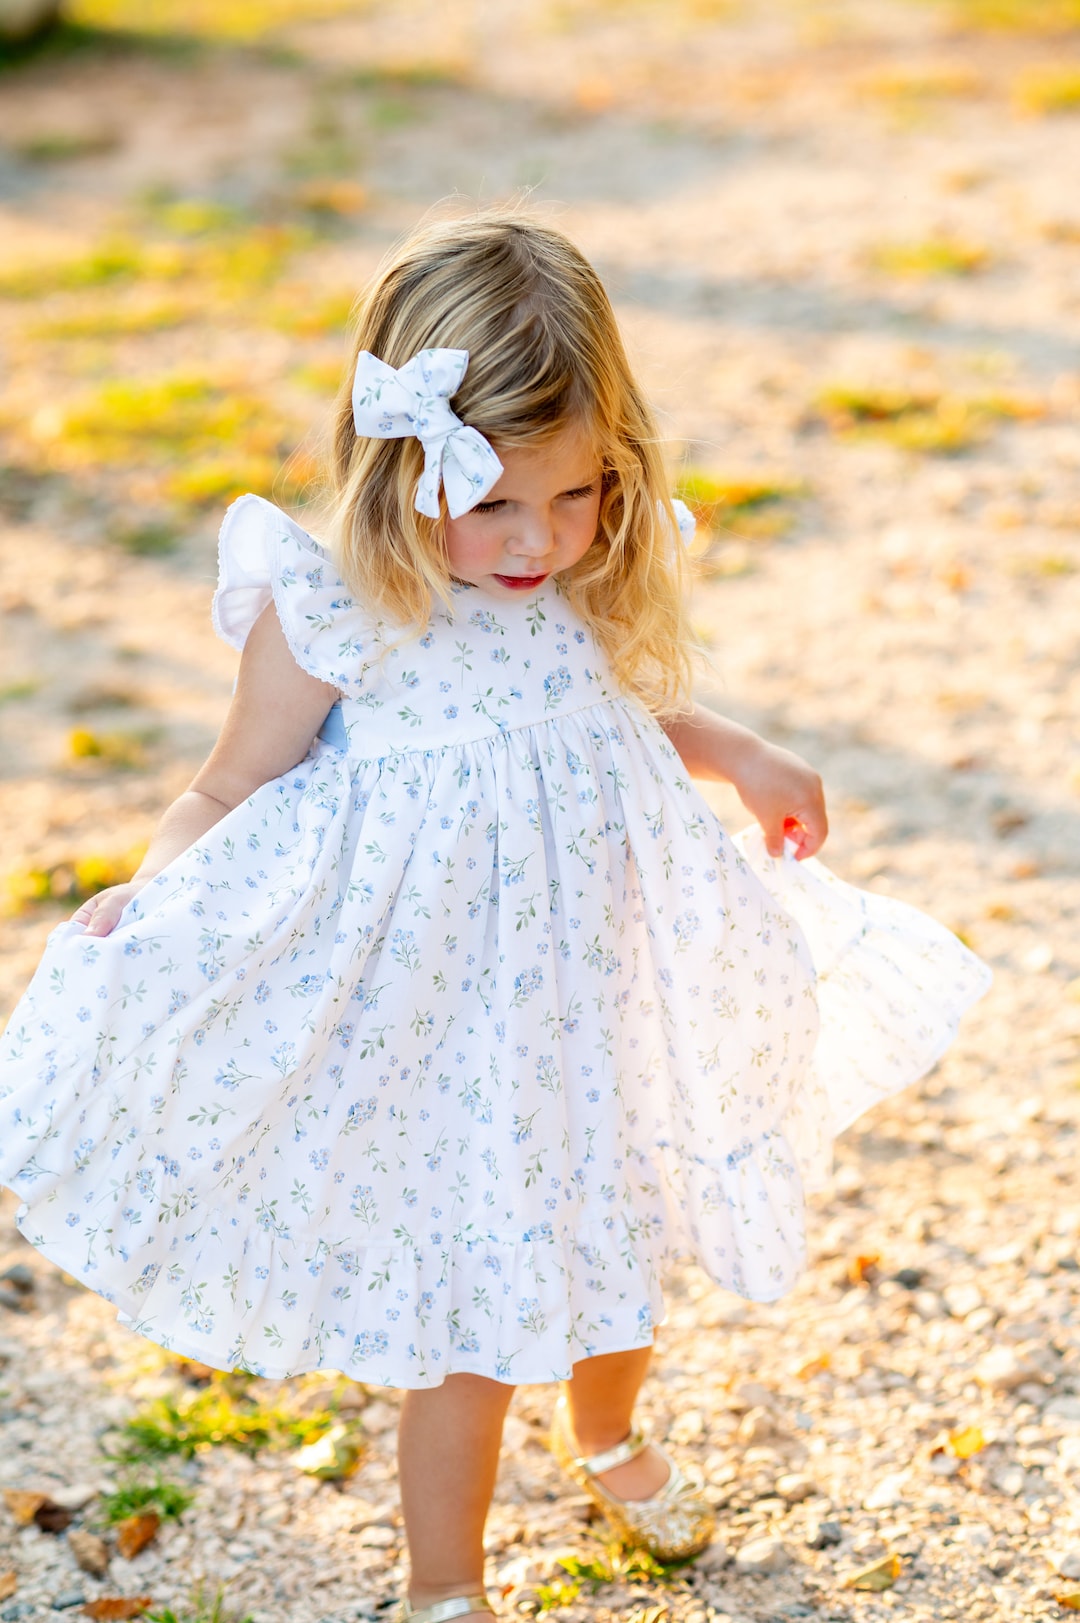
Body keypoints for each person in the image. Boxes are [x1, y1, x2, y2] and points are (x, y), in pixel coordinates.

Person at [0, 211, 989, 1623]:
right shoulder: (341, 604)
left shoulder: (577, 569)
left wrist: (742, 753)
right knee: (466, 1318)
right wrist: (156, 897)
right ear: (407, 471)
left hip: (598, 979)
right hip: (440, 1021)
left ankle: (609, 1436)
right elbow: (228, 784)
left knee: (627, 1231)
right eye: (495, 505)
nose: (537, 543)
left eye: (575, 498)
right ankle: (444, 1585)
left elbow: (614, 714)